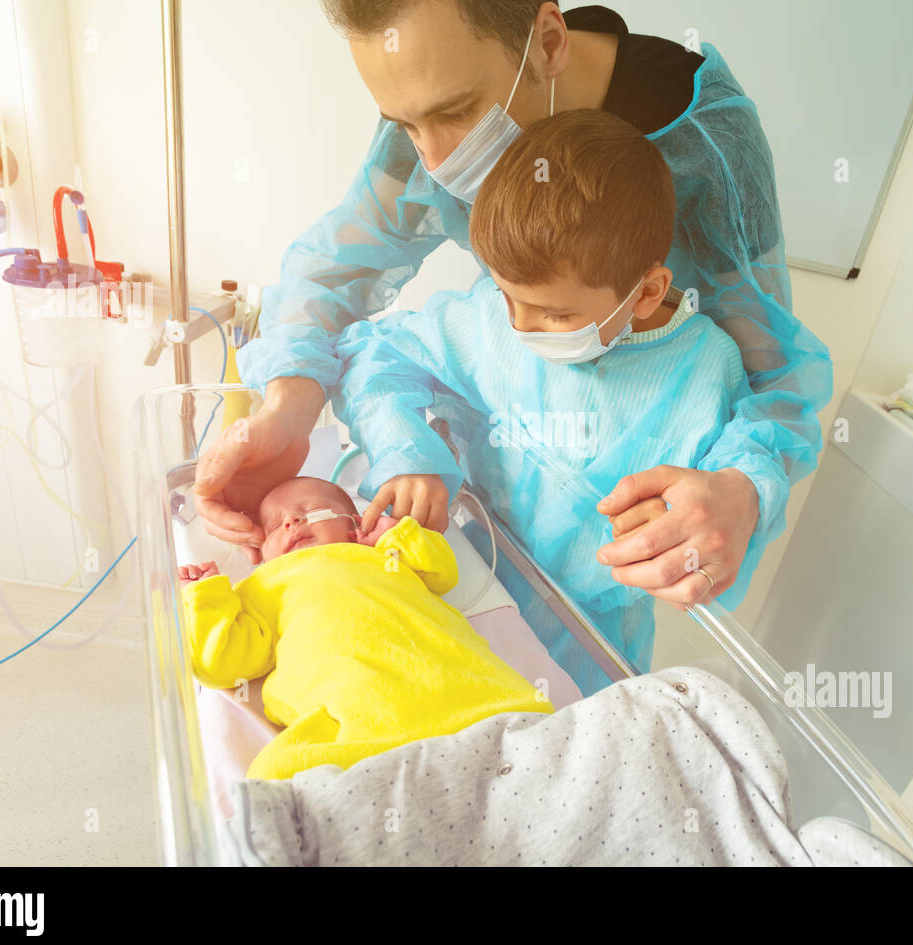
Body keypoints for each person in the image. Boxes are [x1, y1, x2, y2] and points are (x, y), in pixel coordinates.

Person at [195, 1, 832, 609]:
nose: (436, 162)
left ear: (549, 42)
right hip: (486, 527)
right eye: (404, 125)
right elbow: (339, 269)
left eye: (457, 112)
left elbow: (773, 374)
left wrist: (741, 488)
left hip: (598, 582)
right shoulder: (436, 101)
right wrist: (288, 405)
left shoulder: (703, 151)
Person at [334, 109, 761, 680]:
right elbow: (376, 359)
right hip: (470, 587)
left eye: (556, 314)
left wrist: (684, 544)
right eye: (508, 296)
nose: (521, 328)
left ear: (646, 292)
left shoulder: (706, 370)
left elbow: (727, 499)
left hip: (595, 644)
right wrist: (410, 455)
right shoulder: (489, 321)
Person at [178, 475, 554, 779]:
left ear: (355, 524)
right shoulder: (264, 583)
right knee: (274, 775)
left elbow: (442, 570)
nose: (291, 522)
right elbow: (224, 662)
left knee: (536, 732)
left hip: (464, 699)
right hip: (350, 727)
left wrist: (397, 534)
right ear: (260, 555)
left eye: (311, 511)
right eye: (275, 525)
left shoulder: (382, 555)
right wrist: (207, 597)